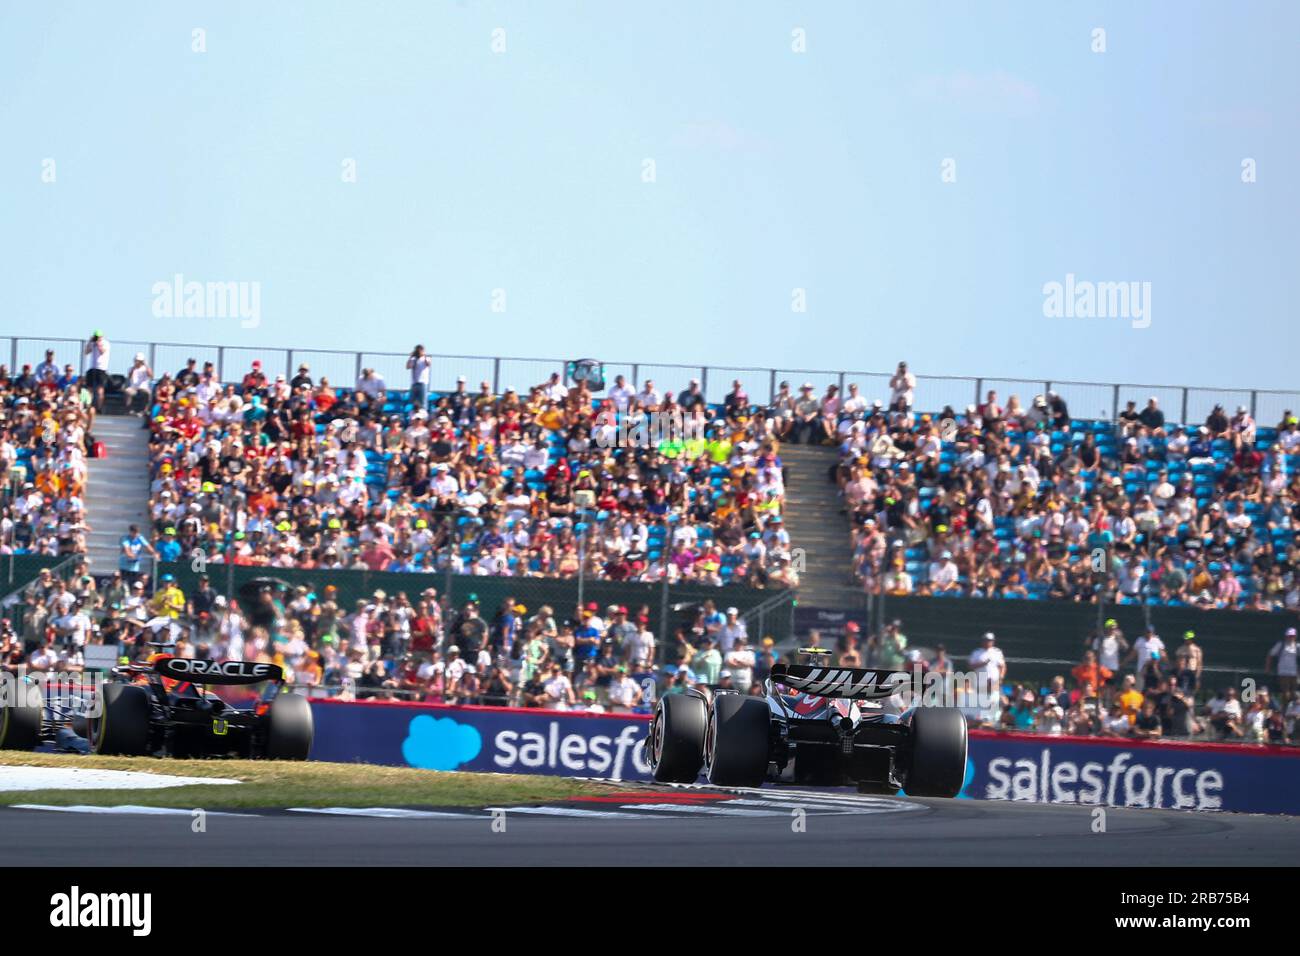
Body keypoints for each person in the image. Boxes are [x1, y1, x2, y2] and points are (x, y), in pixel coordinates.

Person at [82, 331, 111, 412]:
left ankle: (99, 408)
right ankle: (88, 407)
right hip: (92, 368)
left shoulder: (105, 343)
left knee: (100, 390)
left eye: (98, 337)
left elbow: (102, 352)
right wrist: (89, 342)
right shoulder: (93, 343)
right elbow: (86, 352)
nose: (97, 338)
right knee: (89, 389)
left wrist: (98, 343)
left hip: (101, 369)